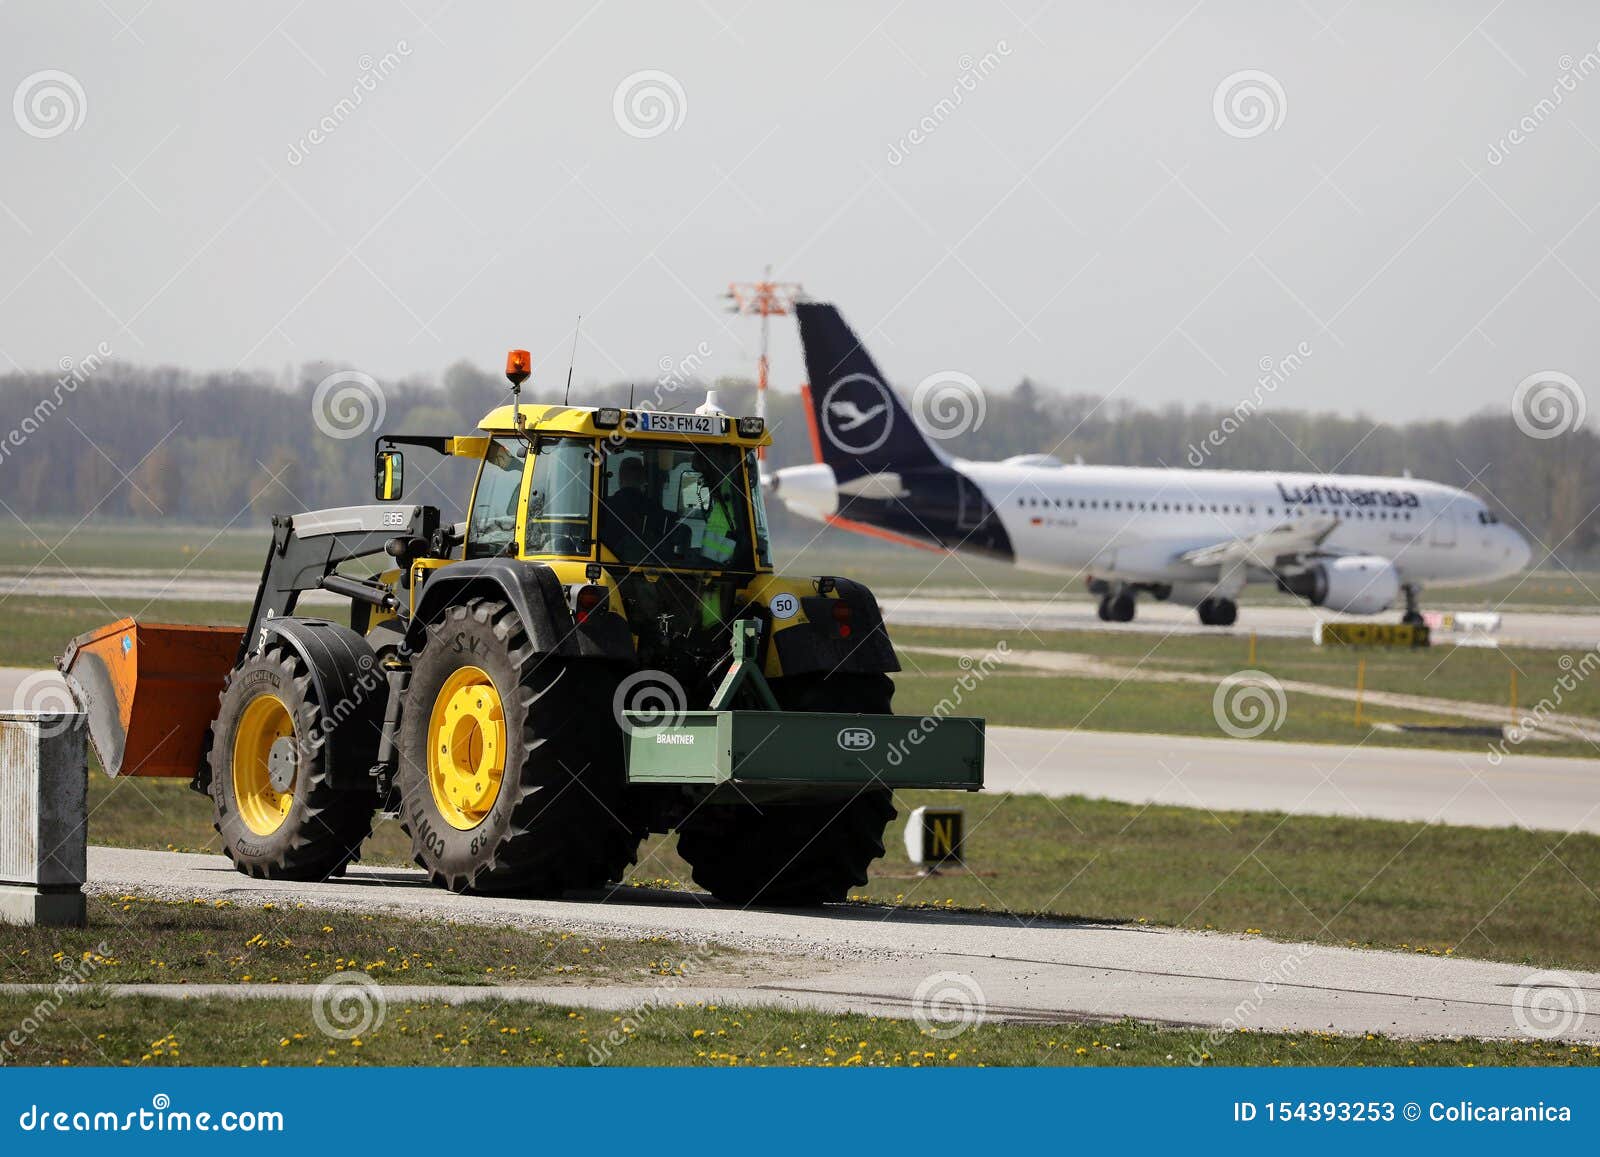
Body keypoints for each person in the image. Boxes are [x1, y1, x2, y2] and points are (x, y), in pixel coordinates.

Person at [600, 456, 672, 561]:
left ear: (620, 479)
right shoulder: (654, 508)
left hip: (606, 566)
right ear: (643, 480)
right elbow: (663, 548)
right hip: (646, 566)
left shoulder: (603, 506)